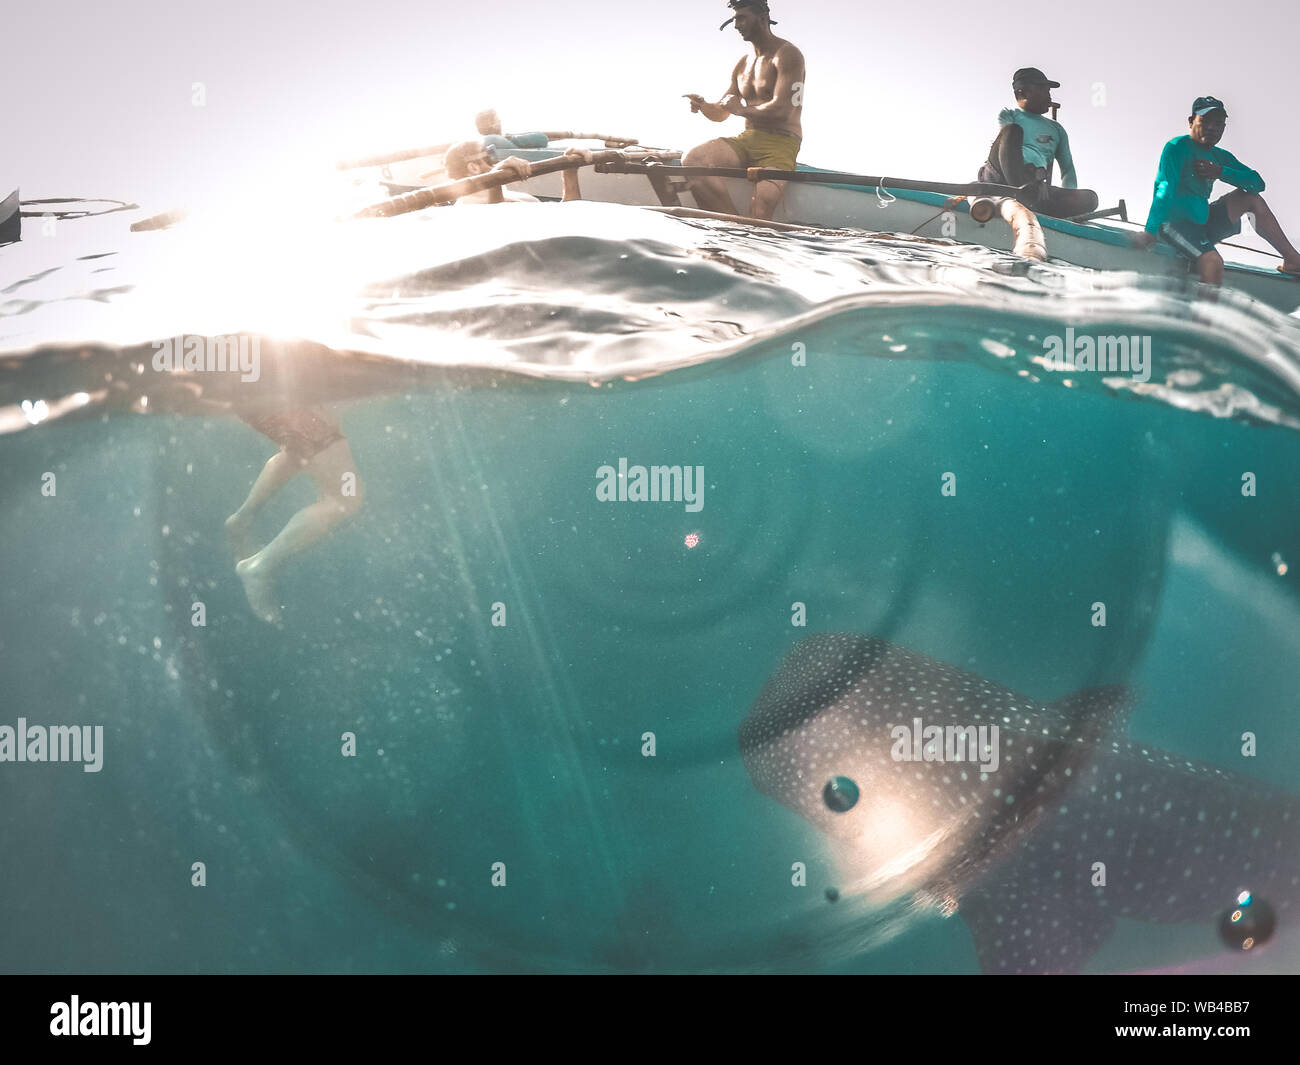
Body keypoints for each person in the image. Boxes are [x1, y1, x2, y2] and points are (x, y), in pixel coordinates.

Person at [1133, 96, 1300, 283]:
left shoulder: (1220, 157)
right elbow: (1164, 188)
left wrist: (1220, 171)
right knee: (1213, 262)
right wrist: (1150, 229)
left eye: (1219, 124)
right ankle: (1205, 309)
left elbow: (1258, 184)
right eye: (1205, 121)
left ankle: (1292, 259)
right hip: (1174, 224)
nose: (1212, 127)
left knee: (1252, 199)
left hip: (1204, 225)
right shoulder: (1176, 147)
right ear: (1191, 121)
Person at [225, 408, 363, 624]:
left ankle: (242, 519)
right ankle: (259, 567)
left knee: (301, 447)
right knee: (346, 499)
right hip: (285, 392)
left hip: (259, 391)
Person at [682, 0, 805, 220]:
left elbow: (783, 111)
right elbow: (722, 112)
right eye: (734, 19)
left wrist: (741, 111)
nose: (736, 25)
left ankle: (751, 233)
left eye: (741, 18)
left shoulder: (787, 54)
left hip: (780, 144)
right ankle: (733, 227)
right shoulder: (743, 64)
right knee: (694, 159)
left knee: (761, 207)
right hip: (748, 139)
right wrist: (704, 106)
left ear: (762, 18)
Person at [977, 68, 1098, 219]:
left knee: (1090, 198)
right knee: (1012, 131)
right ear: (1023, 93)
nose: (1049, 97)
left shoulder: (1057, 129)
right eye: (1044, 91)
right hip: (1001, 177)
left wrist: (1070, 196)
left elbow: (1067, 170)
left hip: (1036, 187)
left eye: (1049, 92)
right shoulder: (1009, 115)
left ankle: (1036, 202)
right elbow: (1007, 146)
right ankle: (1021, 193)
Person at [441, 142, 591, 204]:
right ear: (473, 167)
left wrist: (569, 172)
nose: (495, 160)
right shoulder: (467, 206)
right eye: (489, 155)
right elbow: (499, 229)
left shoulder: (516, 197)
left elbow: (570, 218)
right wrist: (496, 178)